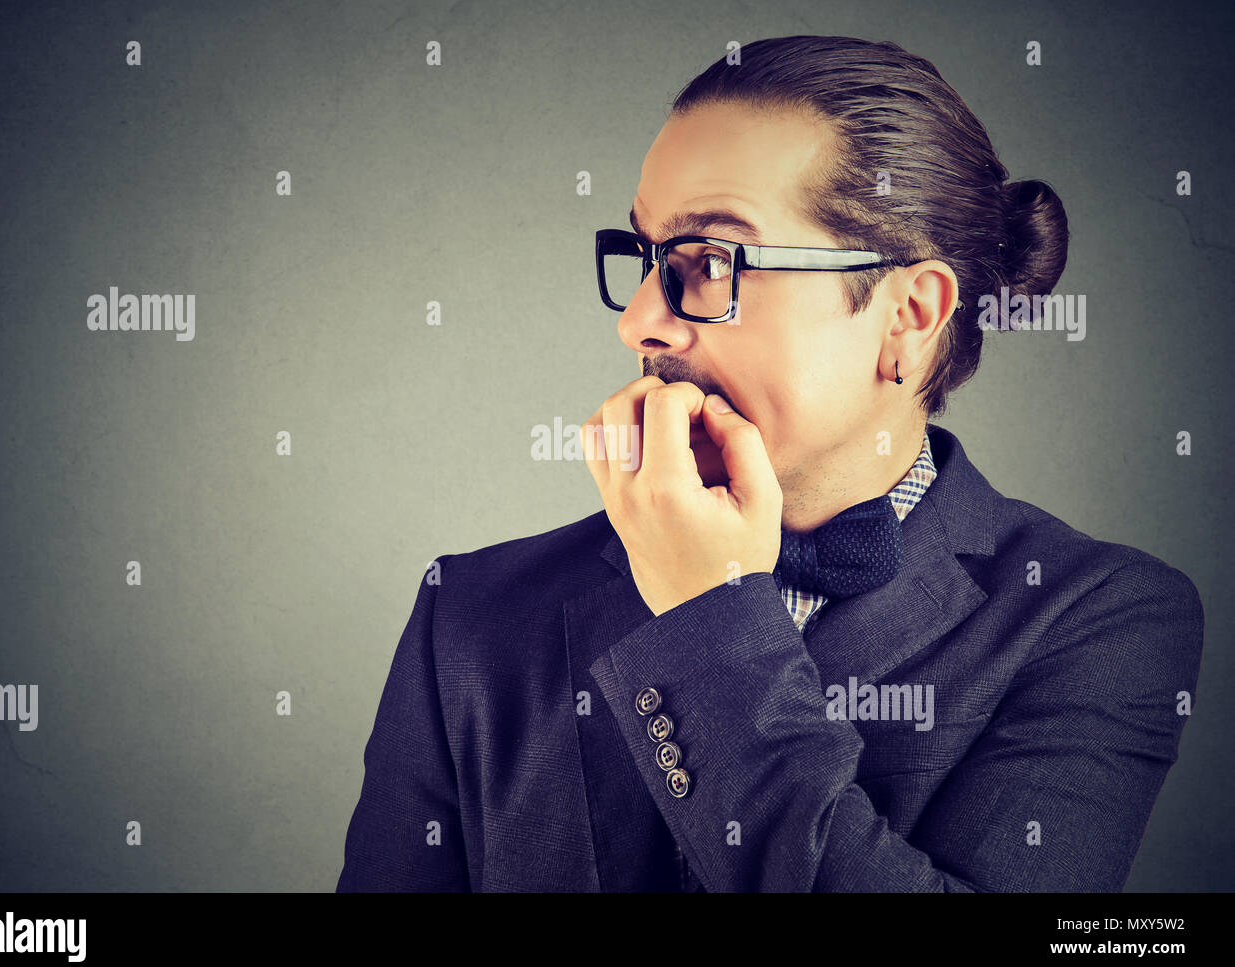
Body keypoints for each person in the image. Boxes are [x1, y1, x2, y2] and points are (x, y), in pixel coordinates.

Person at [335, 35, 1203, 892]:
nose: (638, 320)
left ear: (908, 313)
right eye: (645, 258)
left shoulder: (1099, 620)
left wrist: (710, 616)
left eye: (710, 261)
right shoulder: (471, 618)